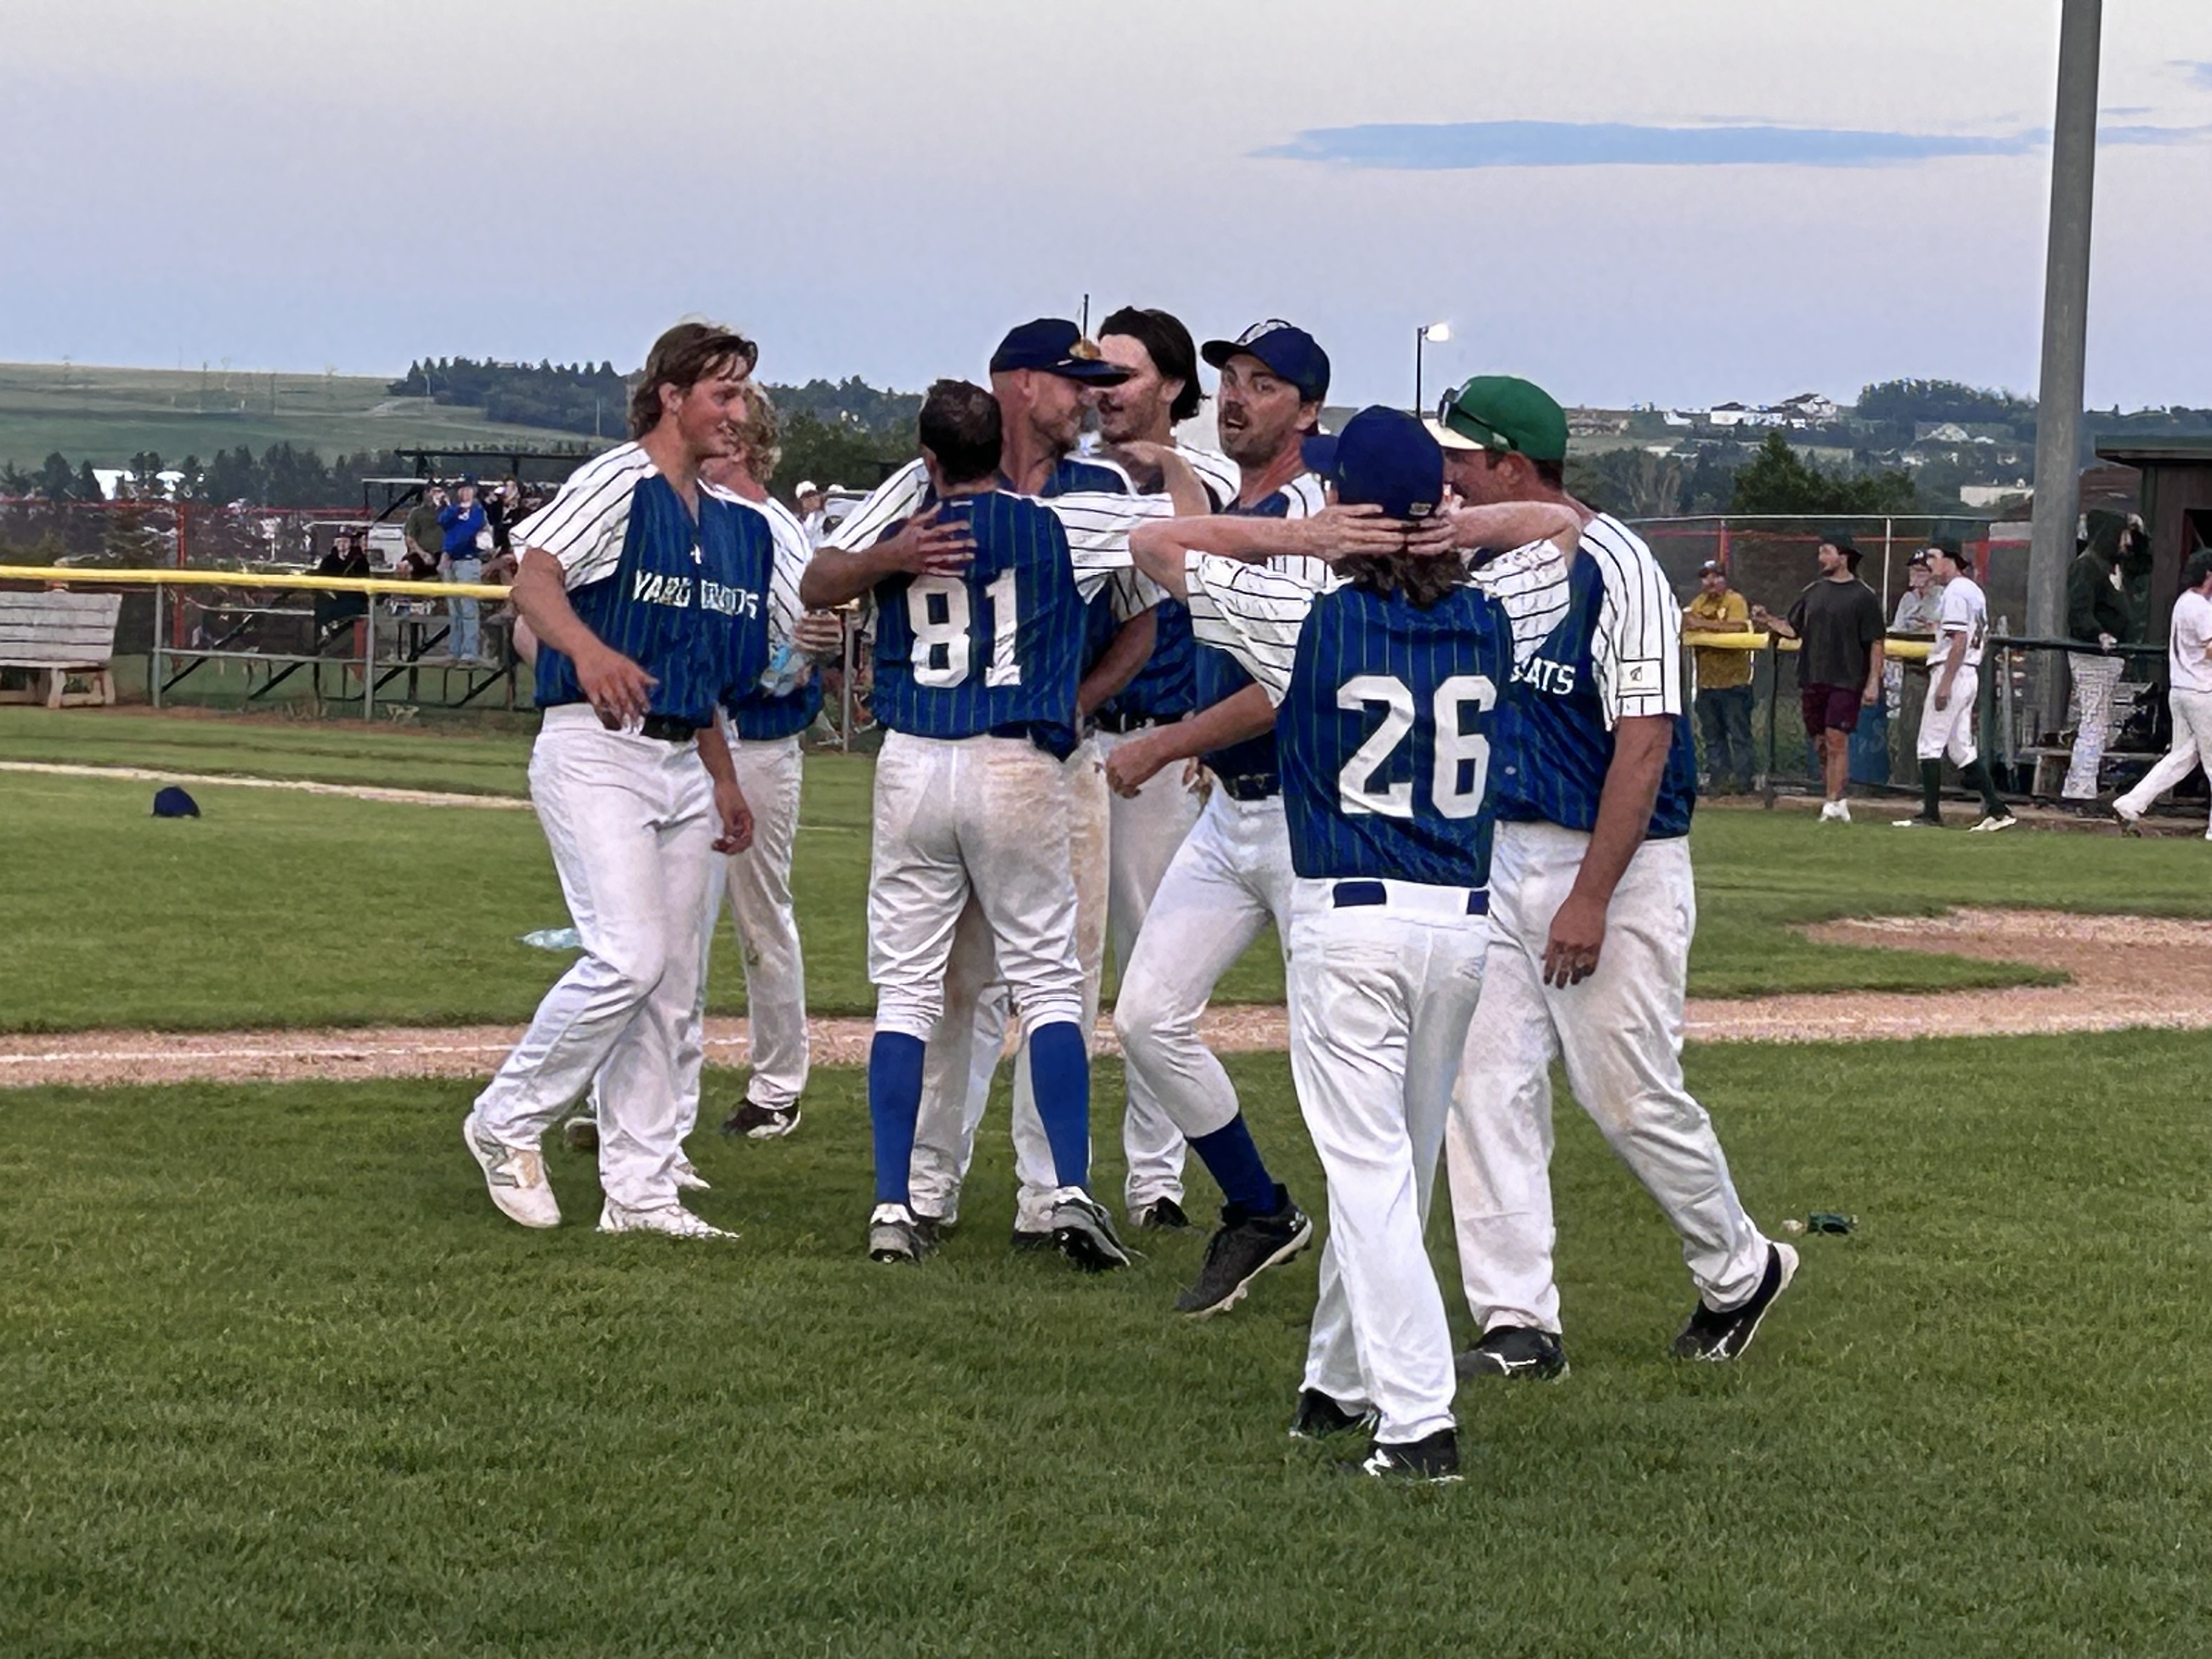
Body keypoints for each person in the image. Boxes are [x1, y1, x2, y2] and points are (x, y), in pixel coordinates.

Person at [1131, 407, 1581, 1482]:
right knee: (1399, 1166)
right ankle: (1335, 1384)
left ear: (1351, 510)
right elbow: (1559, 527)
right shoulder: (1492, 606)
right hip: (1461, 921)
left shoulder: (1303, 607)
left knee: (1372, 1174)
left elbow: (1157, 547)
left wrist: (1301, 539)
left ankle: (1417, 1422)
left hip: (1352, 917)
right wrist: (1456, 531)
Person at [1434, 374, 1795, 1383]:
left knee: (1628, 1094)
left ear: (1511, 465)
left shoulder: (1616, 567)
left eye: (1461, 460)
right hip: (1501, 850)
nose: (1448, 478)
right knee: (1484, 1084)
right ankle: (1516, 1319)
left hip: (1619, 860)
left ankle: (1741, 1266)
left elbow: (1643, 744)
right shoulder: (1477, 569)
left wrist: (1588, 894)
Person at [797, 373, 1182, 1271]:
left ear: (929, 457)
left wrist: (892, 558)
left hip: (913, 759)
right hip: (1015, 758)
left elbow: (819, 580)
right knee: (1050, 983)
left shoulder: (905, 518)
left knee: (908, 990)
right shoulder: (1054, 520)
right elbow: (1166, 542)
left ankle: (894, 1202)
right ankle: (1070, 1189)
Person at [461, 322, 770, 1241]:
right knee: (628, 956)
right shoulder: (617, 480)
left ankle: (639, 1194)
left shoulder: (715, 519)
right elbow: (534, 577)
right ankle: (506, 1117)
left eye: (744, 392)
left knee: (668, 985)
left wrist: (722, 776)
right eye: (722, 392)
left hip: (681, 754)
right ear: (670, 396)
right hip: (596, 749)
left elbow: (696, 667)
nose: (738, 410)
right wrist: (589, 650)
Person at [1103, 319, 1340, 1316]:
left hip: (1308, 816)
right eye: (1231, 379)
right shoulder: (1247, 504)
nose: (1238, 396)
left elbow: (1294, 687)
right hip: (1236, 810)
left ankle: (1375, 1263)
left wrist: (1169, 739)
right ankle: (1257, 1207)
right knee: (1147, 1017)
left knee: (1337, 1052)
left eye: (1264, 384)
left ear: (1309, 410)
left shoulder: (1307, 514)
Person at [1083, 303, 1240, 1229]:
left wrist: (1207, 739)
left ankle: (1154, 1178)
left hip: (1165, 741)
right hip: (1070, 736)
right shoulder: (1074, 473)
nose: (1106, 392)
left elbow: (1236, 597)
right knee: (1053, 967)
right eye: (1096, 375)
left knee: (1153, 968)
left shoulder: (1209, 476)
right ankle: (1052, 1176)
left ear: (1173, 387)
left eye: (1125, 375)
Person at [698, 386, 844, 1139]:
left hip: (751, 737)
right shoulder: (700, 515)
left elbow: (806, 640)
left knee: (758, 918)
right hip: (689, 736)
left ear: (748, 448)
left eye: (725, 434)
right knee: (666, 918)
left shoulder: (774, 530)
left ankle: (779, 1085)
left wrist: (796, 661)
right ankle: (643, 1081)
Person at [1751, 533, 1884, 822]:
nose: (1821, 558)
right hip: (1813, 676)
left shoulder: (1864, 596)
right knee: (1821, 743)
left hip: (1847, 678)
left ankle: (1833, 801)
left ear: (1843, 556)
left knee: (1838, 739)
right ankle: (1835, 795)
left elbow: (1876, 641)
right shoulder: (1812, 592)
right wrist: (1768, 620)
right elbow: (1793, 628)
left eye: (1826, 552)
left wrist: (1873, 680)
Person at [1891, 540, 2014, 831]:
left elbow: (1958, 641)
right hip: (1968, 672)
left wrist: (1945, 684)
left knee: (1929, 745)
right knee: (1960, 749)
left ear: (1951, 560)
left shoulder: (1956, 591)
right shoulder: (1973, 590)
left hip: (1953, 671)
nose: (1929, 563)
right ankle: (1998, 811)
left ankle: (1931, 814)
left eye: (1934, 557)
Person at [2114, 546, 2212, 837]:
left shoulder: (2185, 602)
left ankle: (2131, 803)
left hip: (2182, 689)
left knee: (2182, 756)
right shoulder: (2201, 608)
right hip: (2202, 691)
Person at [2061, 513, 2136, 802]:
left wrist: (2141, 535)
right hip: (2092, 655)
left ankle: (2083, 786)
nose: (2126, 542)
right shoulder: (2086, 567)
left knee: (2097, 723)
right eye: (2122, 535)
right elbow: (2079, 610)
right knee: (2093, 722)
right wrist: (2098, 634)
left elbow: (2144, 563)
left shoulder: (2113, 567)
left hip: (2110, 656)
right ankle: (2079, 789)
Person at [1681, 559, 1755, 796]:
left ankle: (1744, 784)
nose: (1711, 582)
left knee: (1739, 735)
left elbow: (1737, 627)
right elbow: (1685, 624)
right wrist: (1694, 624)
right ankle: (1718, 782)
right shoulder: (1699, 602)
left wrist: (1702, 625)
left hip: (1735, 682)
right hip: (1706, 683)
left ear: (1725, 579)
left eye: (1716, 576)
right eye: (1706, 577)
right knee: (1713, 737)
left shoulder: (1735, 601)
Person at [438, 478, 489, 662]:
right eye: (461, 489)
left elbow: (467, 533)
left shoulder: (478, 511)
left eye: (467, 489)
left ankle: (470, 651)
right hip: (450, 562)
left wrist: (448, 552)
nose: (464, 493)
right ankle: (455, 649)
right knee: (454, 609)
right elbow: (442, 521)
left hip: (467, 560)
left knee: (468, 608)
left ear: (474, 490)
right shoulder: (454, 510)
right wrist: (453, 507)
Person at [795, 481, 827, 546]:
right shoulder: (802, 524)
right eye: (809, 496)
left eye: (815, 494)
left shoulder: (829, 514)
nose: (814, 498)